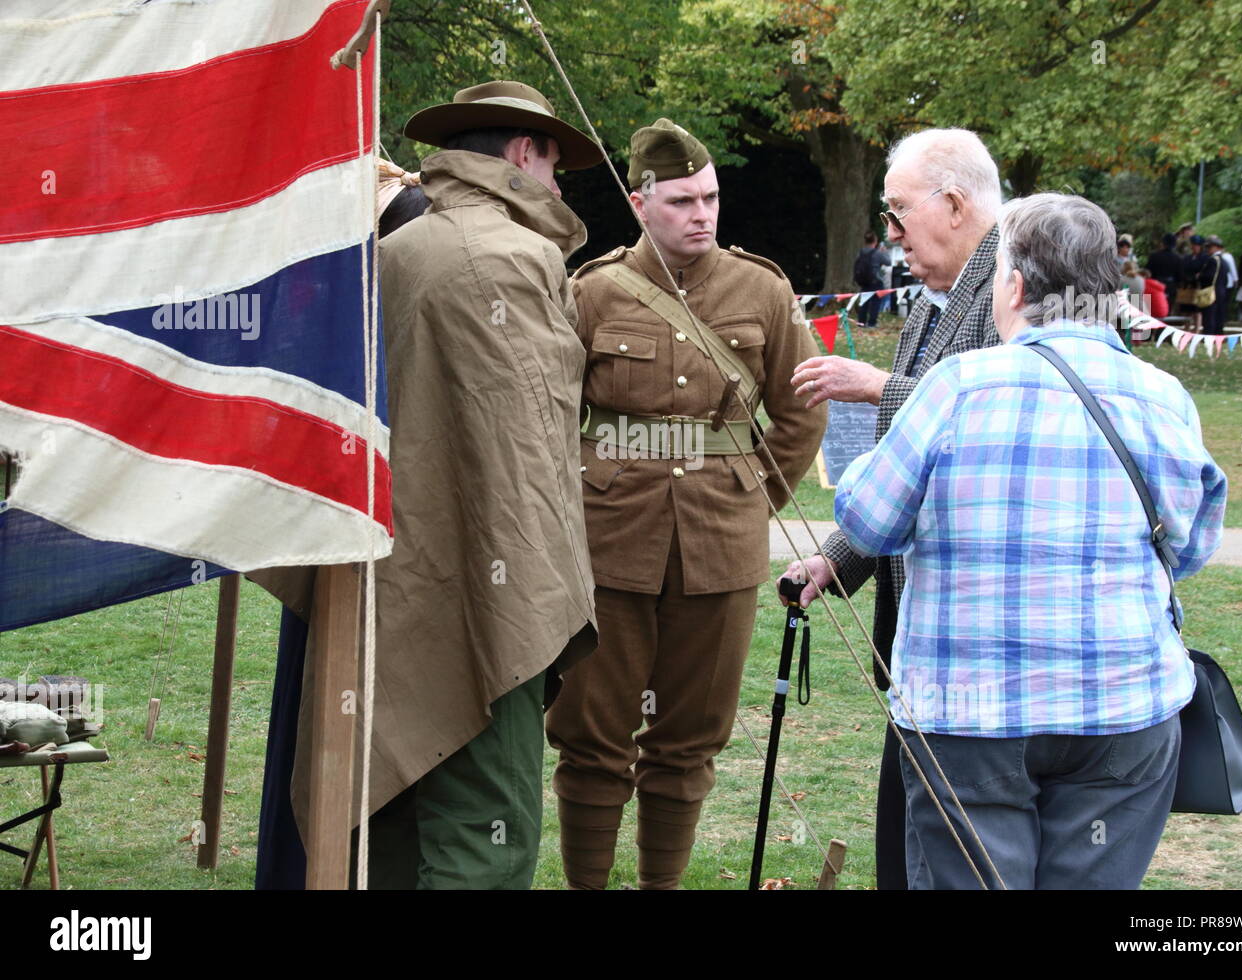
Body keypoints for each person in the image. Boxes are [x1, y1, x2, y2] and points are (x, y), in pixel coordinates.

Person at [254, 80, 607, 890]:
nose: (558, 188)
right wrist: (528, 602)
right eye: (555, 166)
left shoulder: (391, 253)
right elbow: (526, 467)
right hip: (484, 601)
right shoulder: (514, 258)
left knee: (390, 822)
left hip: (384, 588)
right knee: (488, 838)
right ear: (525, 153)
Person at [833, 193, 1226, 889]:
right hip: (1122, 711)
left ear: (1011, 286)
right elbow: (1190, 548)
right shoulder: (1163, 396)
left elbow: (869, 520)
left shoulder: (956, 387)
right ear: (1108, 289)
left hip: (970, 717)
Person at [545, 119, 827, 889]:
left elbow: (803, 410)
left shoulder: (762, 290)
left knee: (689, 738)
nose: (702, 213)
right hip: (609, 543)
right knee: (592, 736)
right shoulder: (594, 290)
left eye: (710, 197)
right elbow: (549, 416)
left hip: (720, 549)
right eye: (681, 201)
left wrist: (751, 498)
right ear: (641, 204)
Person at [780, 127, 1004, 890]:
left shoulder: (1018, 284)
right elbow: (905, 479)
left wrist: (879, 387)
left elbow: (1004, 424)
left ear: (952, 202)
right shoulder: (932, 305)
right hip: (921, 655)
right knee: (903, 855)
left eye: (900, 212)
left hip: (978, 654)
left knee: (951, 863)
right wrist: (836, 559)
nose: (891, 234)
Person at [853, 230, 890, 327]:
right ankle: (872, 323)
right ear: (875, 241)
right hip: (875, 281)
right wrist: (885, 252)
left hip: (863, 281)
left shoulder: (860, 252)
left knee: (864, 301)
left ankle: (861, 322)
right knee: (875, 303)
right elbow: (888, 262)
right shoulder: (877, 253)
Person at [1178, 234, 1211, 330]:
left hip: (1198, 285)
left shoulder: (1205, 258)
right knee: (1186, 310)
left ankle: (1196, 329)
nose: (1194, 247)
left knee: (1197, 310)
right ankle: (1186, 328)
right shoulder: (1187, 258)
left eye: (1196, 245)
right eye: (1193, 245)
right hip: (1187, 286)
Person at [1202, 236, 1230, 335]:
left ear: (1216, 247)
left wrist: (1199, 277)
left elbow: (1208, 276)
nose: (1208, 250)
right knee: (1219, 316)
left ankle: (1209, 335)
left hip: (1212, 292)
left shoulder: (1213, 260)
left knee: (1210, 316)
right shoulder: (1224, 261)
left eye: (1210, 247)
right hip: (1221, 291)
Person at [1145, 232, 1181, 305]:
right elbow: (1180, 275)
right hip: (1171, 287)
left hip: (1155, 285)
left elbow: (1148, 272)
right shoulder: (1178, 258)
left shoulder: (1154, 256)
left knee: (1155, 307)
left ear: (1163, 243)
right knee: (1168, 308)